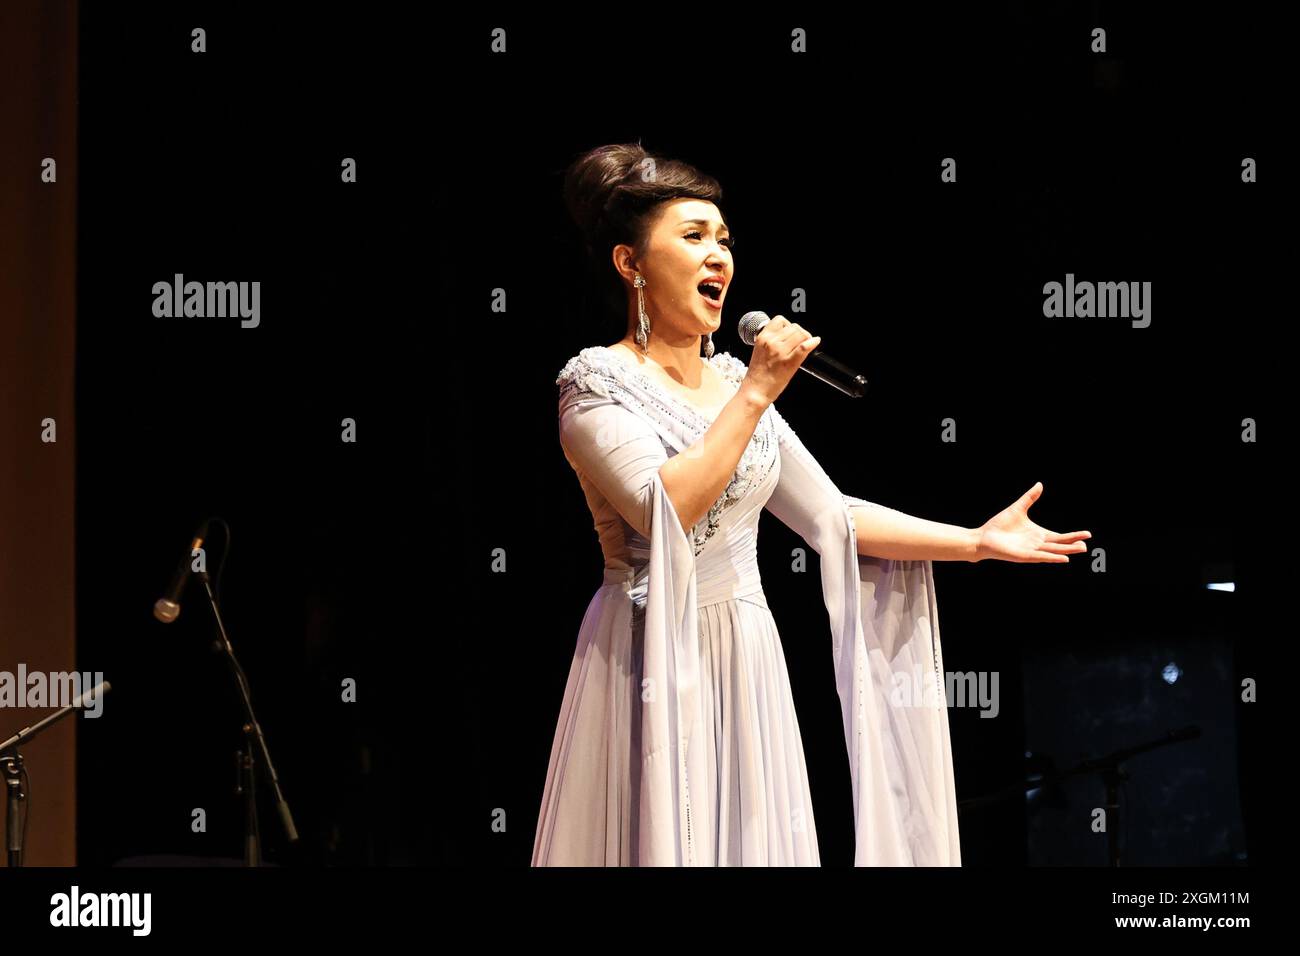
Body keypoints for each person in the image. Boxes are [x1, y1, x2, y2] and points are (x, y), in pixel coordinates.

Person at [532, 143, 1091, 866]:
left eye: (724, 240)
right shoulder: (595, 383)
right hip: (650, 656)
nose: (718, 257)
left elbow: (835, 516)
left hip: (748, 652)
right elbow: (663, 511)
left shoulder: (733, 380)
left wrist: (975, 541)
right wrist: (758, 391)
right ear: (630, 263)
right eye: (693, 237)